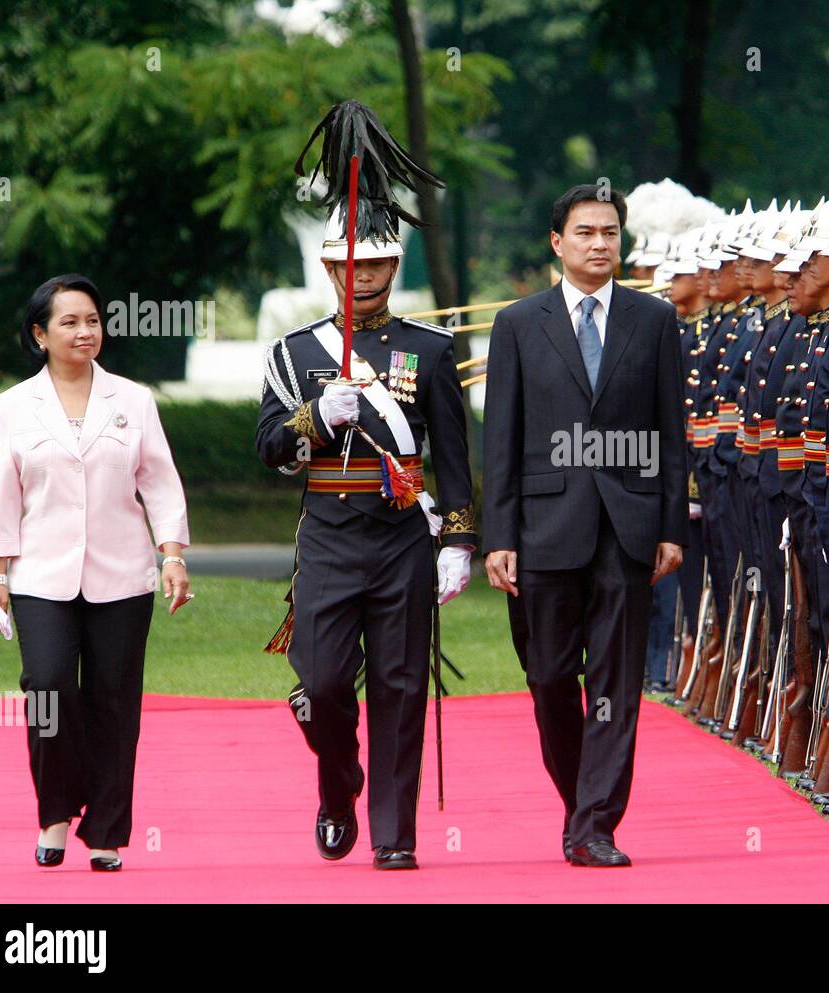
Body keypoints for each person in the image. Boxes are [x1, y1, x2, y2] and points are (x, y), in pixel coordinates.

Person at [256, 100, 476, 871]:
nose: (365, 278)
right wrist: (317, 414)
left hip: (401, 539)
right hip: (327, 535)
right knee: (318, 683)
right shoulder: (296, 353)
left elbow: (454, 457)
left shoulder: (431, 348)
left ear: (395, 266)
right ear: (329, 269)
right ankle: (338, 778)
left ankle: (394, 833)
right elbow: (268, 447)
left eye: (378, 265)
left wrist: (458, 540)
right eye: (351, 266)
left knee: (400, 684)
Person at [483, 183, 687, 867]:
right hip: (544, 527)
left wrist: (670, 526)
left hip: (627, 527)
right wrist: (499, 535)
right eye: (586, 232)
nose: (600, 243)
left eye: (610, 232)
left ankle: (597, 821)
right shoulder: (518, 324)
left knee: (617, 682)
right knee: (548, 677)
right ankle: (580, 801)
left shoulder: (654, 321)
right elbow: (501, 438)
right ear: (557, 242)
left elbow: (670, 433)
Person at [0, 273, 192, 872]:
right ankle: (53, 813)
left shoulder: (134, 400)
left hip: (121, 576)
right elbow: (1, 493)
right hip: (40, 576)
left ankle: (106, 832)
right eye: (68, 322)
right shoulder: (13, 406)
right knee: (46, 687)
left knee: (114, 702)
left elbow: (160, 484)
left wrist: (171, 555)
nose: (84, 331)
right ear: (40, 334)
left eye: (92, 320)